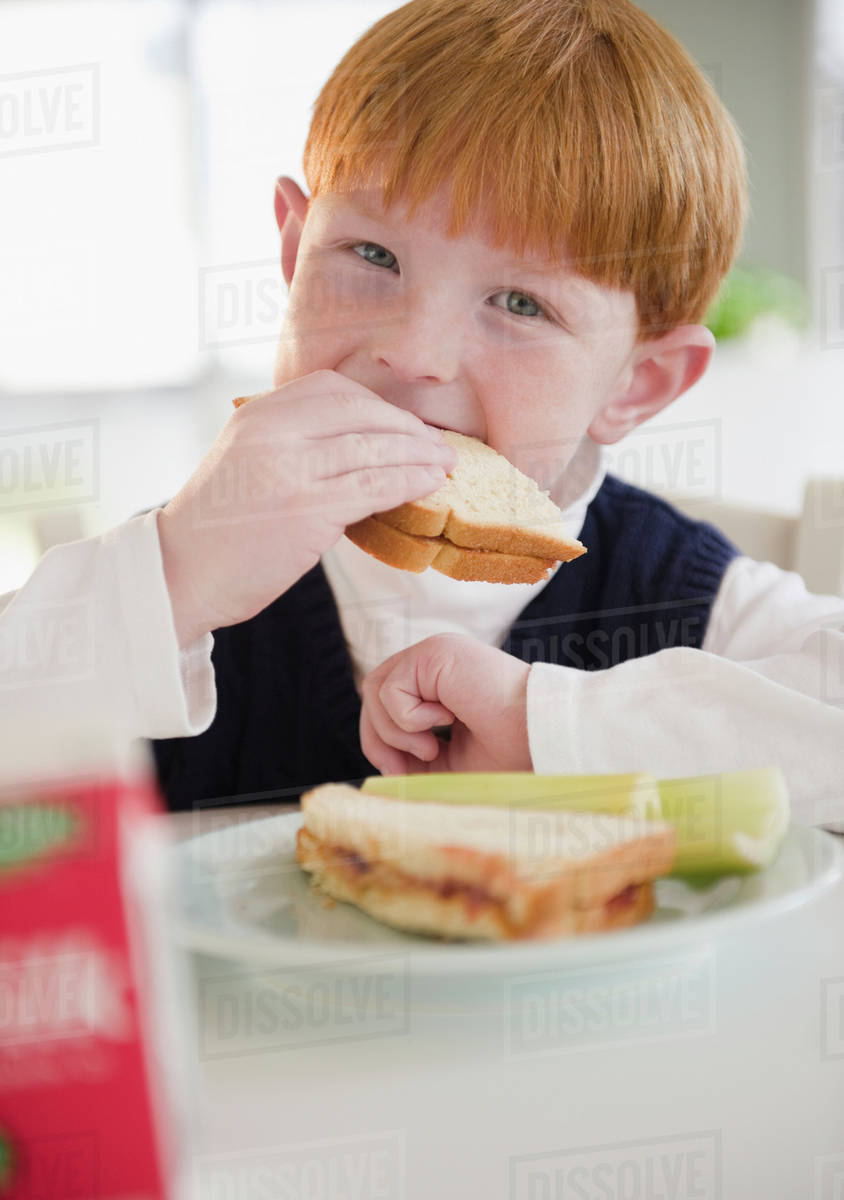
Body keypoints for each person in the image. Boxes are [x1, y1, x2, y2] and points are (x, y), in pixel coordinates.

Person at [1, 0, 842, 825]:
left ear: (639, 382)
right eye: (371, 254)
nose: (413, 353)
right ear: (294, 255)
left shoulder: (687, 599)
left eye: (519, 302)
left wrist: (551, 725)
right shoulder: (175, 572)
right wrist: (173, 583)